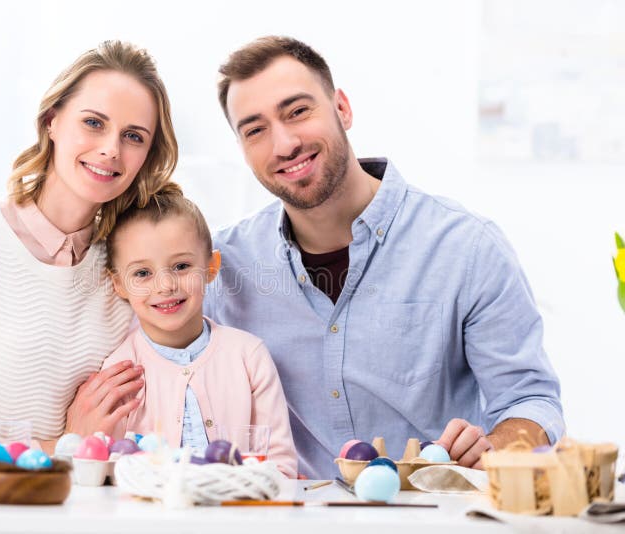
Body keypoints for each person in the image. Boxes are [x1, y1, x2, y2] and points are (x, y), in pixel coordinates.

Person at [205, 36, 564, 478]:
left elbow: (530, 401)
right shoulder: (221, 265)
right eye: (255, 130)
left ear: (342, 109)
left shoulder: (465, 248)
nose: (284, 144)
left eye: (297, 111)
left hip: (430, 517)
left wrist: (493, 448)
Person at [0, 40, 178, 469]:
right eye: (94, 123)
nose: (111, 149)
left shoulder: (125, 276)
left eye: (133, 136)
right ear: (51, 121)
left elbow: (148, 433)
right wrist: (66, 445)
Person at [101, 186, 298, 477]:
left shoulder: (248, 356)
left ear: (211, 267)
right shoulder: (119, 372)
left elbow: (280, 464)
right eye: (142, 273)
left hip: (238, 511)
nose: (166, 285)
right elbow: (111, 468)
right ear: (118, 284)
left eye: (181, 266)